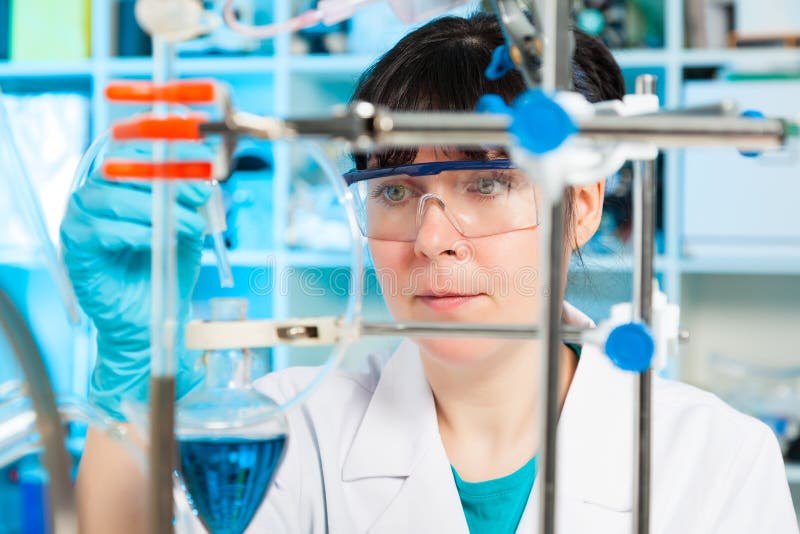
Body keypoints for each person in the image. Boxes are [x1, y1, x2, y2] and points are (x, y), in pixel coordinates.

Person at [62, 12, 797, 534]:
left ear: (581, 207)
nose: (432, 240)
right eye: (394, 191)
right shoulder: (286, 431)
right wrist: (133, 369)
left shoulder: (714, 459)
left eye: (486, 183)